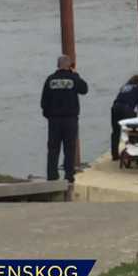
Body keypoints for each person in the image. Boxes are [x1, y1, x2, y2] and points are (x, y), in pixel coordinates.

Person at [40, 54, 88, 182]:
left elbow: (44, 101)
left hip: (54, 120)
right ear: (70, 65)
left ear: (57, 65)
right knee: (69, 148)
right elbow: (84, 89)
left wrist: (49, 115)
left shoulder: (50, 79)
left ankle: (52, 176)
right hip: (70, 119)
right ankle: (69, 175)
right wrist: (75, 74)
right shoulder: (73, 78)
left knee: (53, 149)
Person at [110, 74, 138, 160]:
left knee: (116, 132)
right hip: (126, 109)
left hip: (115, 108)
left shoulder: (124, 87)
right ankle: (133, 152)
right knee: (133, 130)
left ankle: (115, 155)